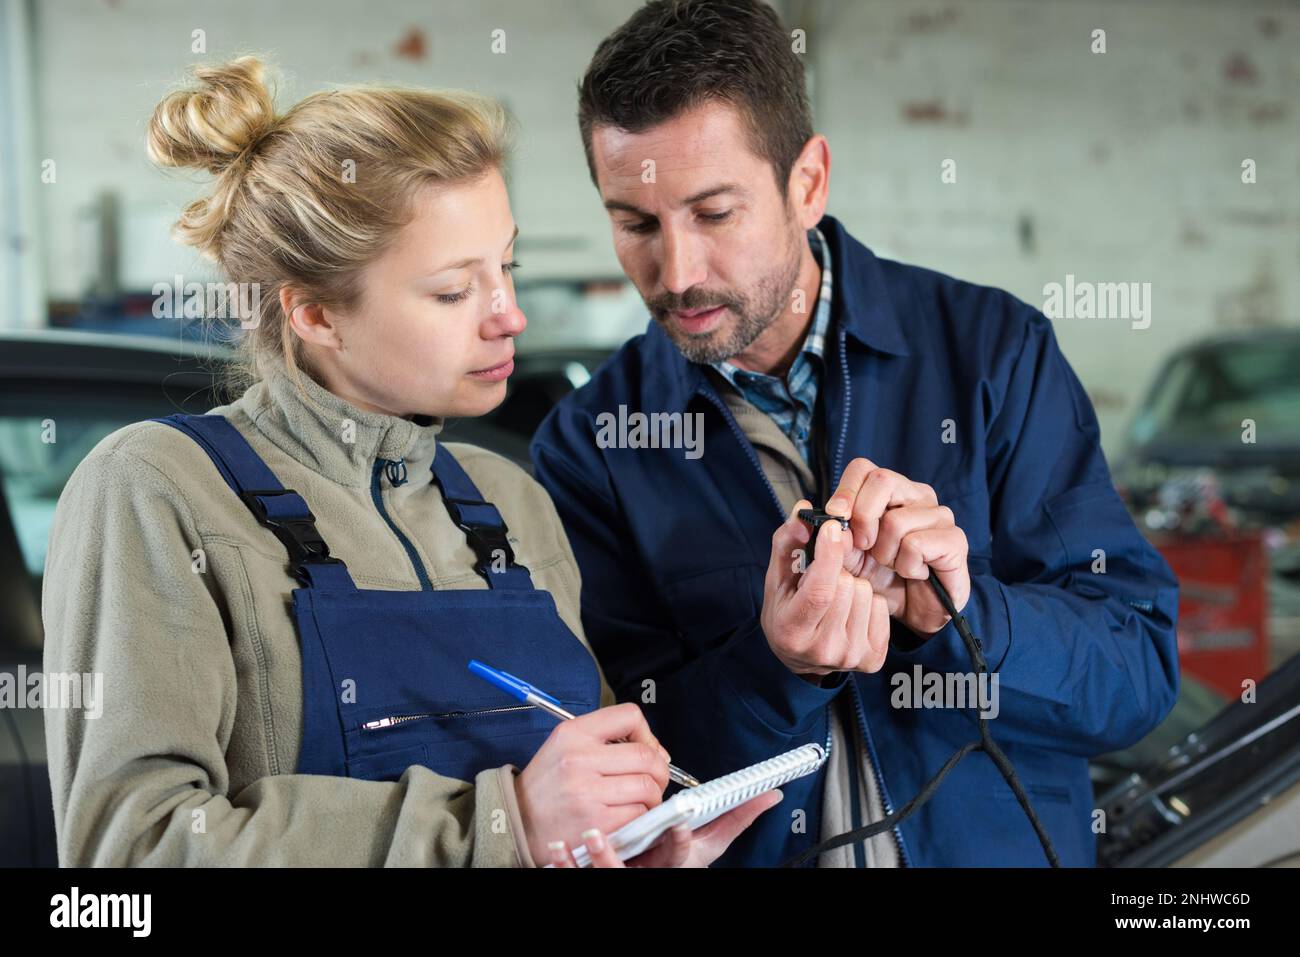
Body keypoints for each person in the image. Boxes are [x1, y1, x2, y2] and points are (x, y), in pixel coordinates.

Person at [41, 56, 776, 868]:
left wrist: (628, 847)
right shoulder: (159, 489)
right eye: (454, 291)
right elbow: (130, 849)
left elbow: (573, 814)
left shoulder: (508, 502)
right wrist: (498, 823)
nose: (510, 315)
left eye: (507, 267)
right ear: (316, 313)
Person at [531, 0, 1180, 867]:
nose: (677, 273)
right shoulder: (589, 447)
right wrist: (776, 668)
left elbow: (1135, 672)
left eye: (714, 213)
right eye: (637, 224)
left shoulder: (992, 353)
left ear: (808, 182)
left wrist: (955, 618)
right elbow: (619, 779)